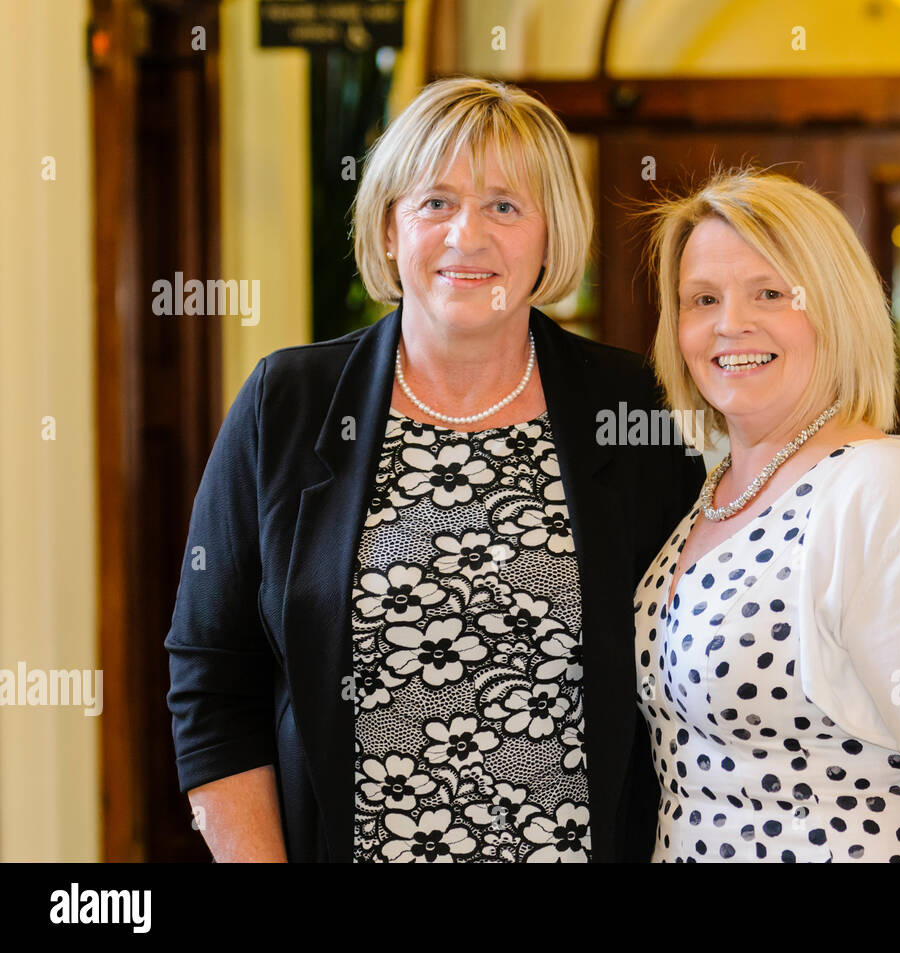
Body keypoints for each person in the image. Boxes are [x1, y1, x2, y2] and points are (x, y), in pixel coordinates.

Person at [166, 77, 703, 862]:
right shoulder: (287, 404)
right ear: (389, 230)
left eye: (506, 206)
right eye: (436, 203)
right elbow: (212, 676)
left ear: (551, 234)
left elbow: (685, 667)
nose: (467, 236)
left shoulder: (634, 408)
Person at [634, 168, 900, 862]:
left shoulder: (889, 492)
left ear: (834, 308)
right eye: (703, 298)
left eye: (770, 293)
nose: (730, 323)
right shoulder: (714, 486)